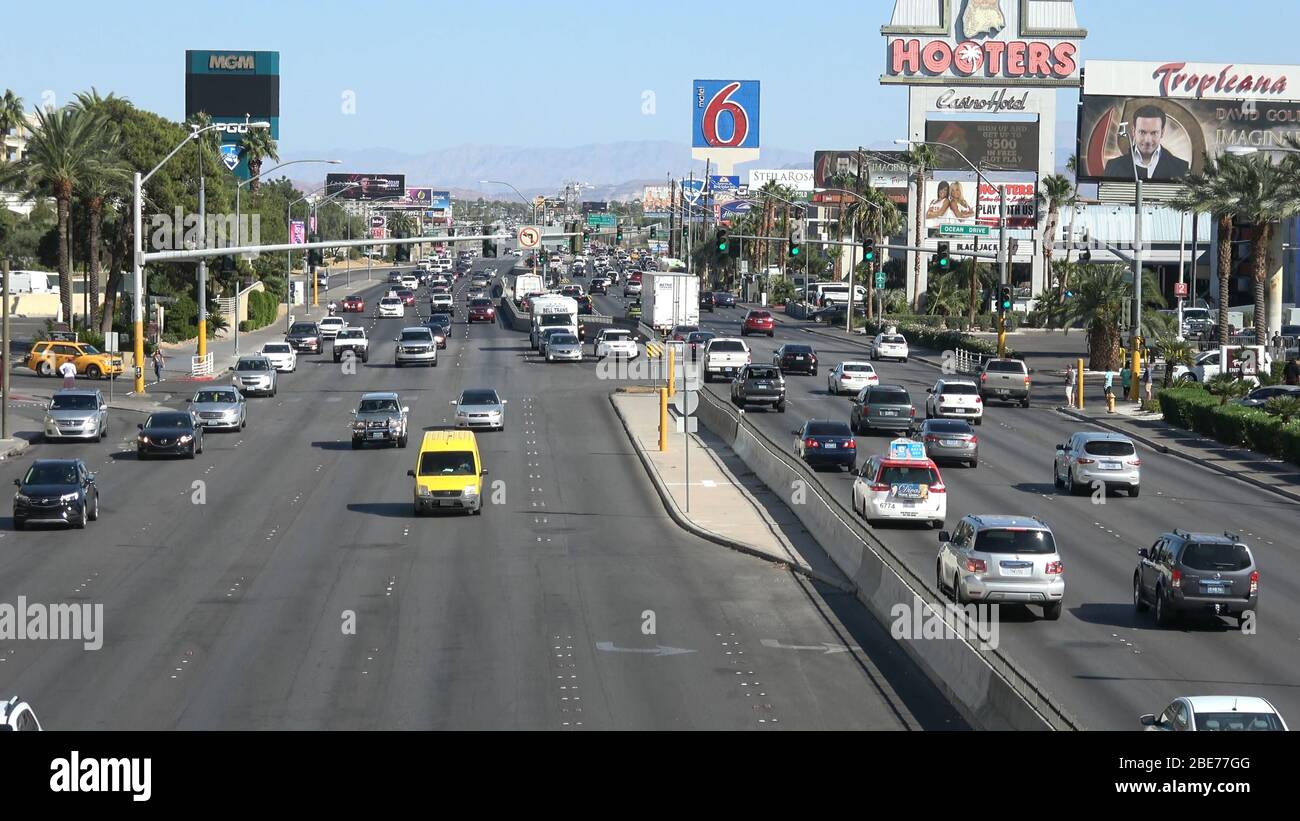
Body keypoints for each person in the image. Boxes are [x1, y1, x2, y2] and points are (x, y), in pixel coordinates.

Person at [1103, 105, 1191, 181]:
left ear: (1162, 132)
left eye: (1154, 133)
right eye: (1142, 132)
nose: (1147, 140)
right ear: (1133, 132)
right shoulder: (1113, 166)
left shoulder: (1181, 168)